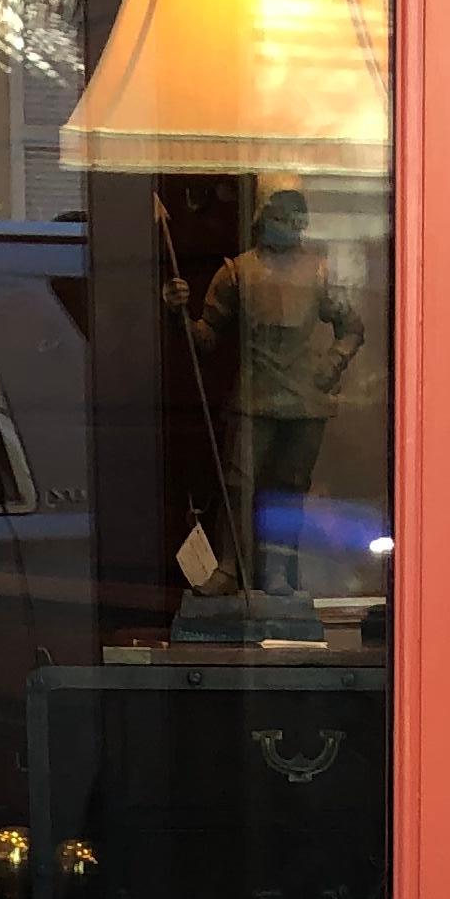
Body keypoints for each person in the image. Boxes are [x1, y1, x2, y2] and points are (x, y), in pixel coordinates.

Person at [186, 175, 365, 598]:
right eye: (278, 211)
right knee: (238, 486)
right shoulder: (236, 272)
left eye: (293, 212)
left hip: (305, 401)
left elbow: (352, 328)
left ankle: (279, 571)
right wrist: (180, 317)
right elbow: (207, 336)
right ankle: (229, 568)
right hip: (254, 397)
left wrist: (332, 364)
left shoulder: (319, 272)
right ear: (261, 214)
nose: (287, 220)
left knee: (289, 490)